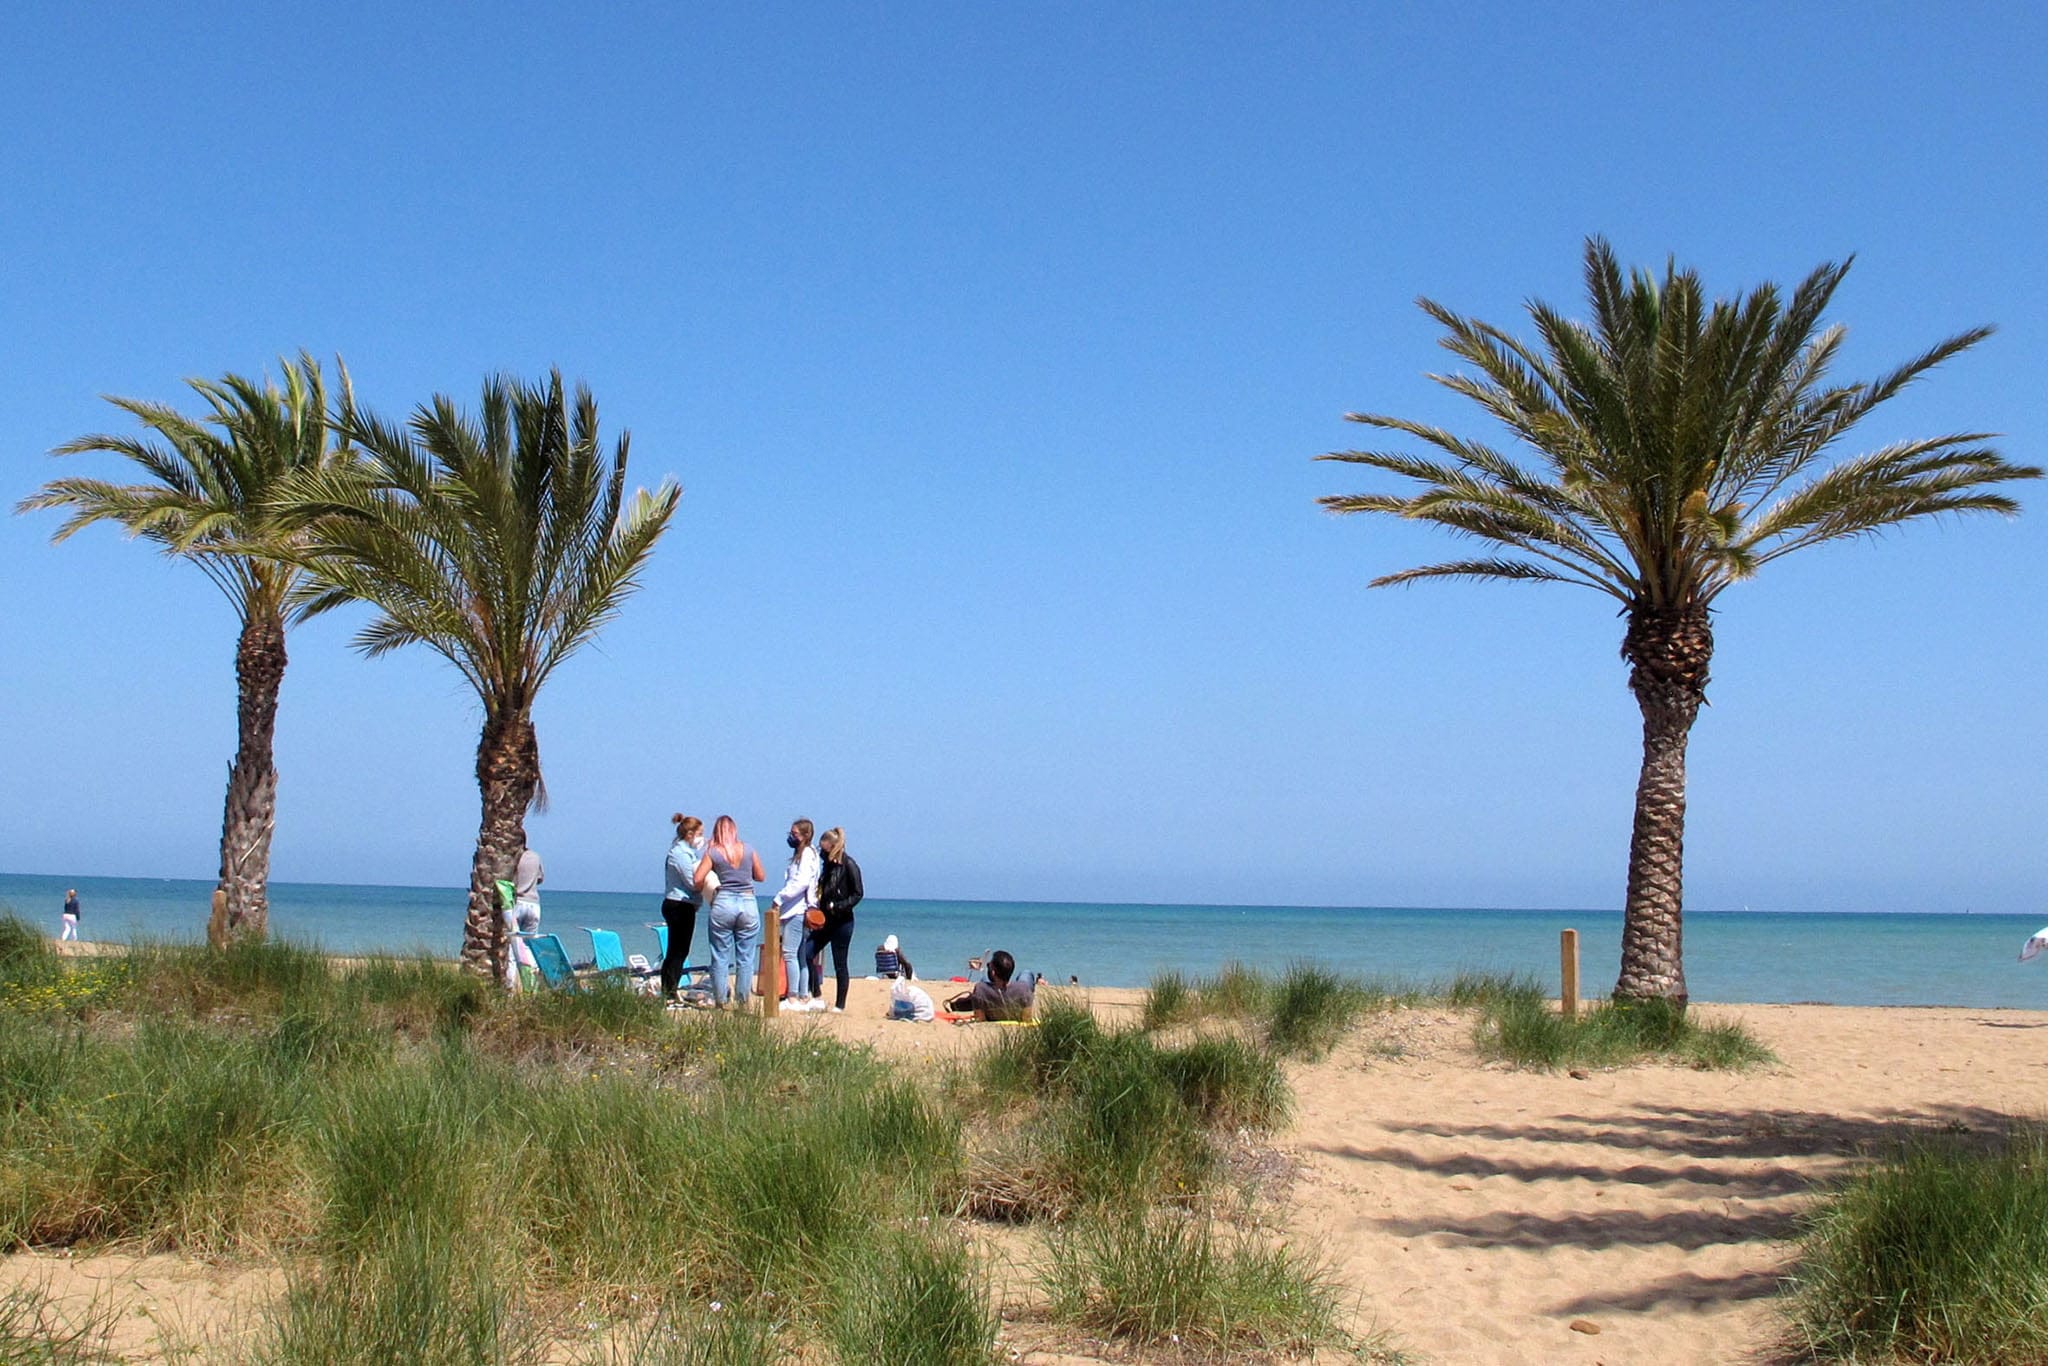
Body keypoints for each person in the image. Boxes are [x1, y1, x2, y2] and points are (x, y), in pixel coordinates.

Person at [699, 815, 766, 1008]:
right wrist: (744, 872)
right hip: (747, 901)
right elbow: (761, 876)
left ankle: (721, 1001)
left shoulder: (713, 852)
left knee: (720, 955)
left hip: (724, 901)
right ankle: (742, 1001)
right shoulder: (748, 849)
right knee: (745, 957)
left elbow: (697, 878)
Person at [770, 818, 822, 1010]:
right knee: (799, 954)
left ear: (805, 835)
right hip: (796, 909)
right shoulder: (802, 854)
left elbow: (801, 882)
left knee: (790, 953)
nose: (792, 837)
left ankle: (793, 995)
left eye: (795, 834)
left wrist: (779, 898)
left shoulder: (808, 854)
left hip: (797, 910)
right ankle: (802, 994)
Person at [813, 827, 863, 1013]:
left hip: (843, 921)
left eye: (823, 849)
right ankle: (816, 994)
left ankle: (840, 1005)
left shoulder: (848, 865)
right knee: (807, 952)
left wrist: (839, 906)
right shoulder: (827, 867)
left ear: (833, 847)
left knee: (840, 963)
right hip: (825, 920)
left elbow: (858, 893)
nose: (821, 853)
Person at [661, 815, 706, 999]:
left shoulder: (688, 853)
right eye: (700, 834)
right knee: (678, 951)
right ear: (690, 834)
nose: (702, 838)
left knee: (679, 950)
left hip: (684, 905)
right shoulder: (680, 854)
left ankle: (670, 990)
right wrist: (707, 881)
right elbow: (692, 882)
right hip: (678, 905)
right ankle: (669, 992)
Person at [948, 949, 1035, 1021]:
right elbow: (1027, 1019)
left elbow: (980, 1020)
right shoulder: (1024, 988)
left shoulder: (980, 989)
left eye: (989, 966)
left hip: (988, 996)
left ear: (993, 973)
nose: (988, 967)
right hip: (1016, 992)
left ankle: (973, 1000)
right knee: (1026, 973)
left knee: (984, 980)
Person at [506, 845, 544, 992]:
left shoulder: (513, 858)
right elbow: (540, 878)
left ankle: (509, 990)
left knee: (512, 951)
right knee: (529, 947)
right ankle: (531, 988)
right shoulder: (535, 856)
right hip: (534, 905)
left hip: (517, 903)